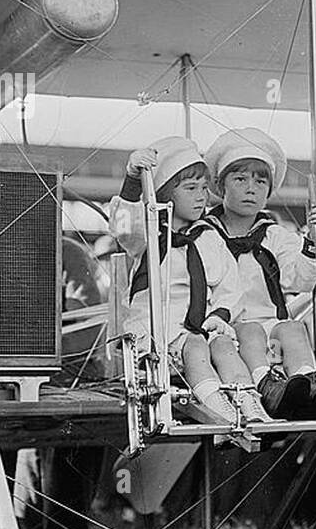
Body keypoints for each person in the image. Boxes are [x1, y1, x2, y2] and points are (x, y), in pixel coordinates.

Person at [109, 135, 270, 424]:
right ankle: (217, 408)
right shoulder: (149, 236)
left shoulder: (208, 237)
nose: (202, 197)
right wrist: (133, 181)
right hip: (158, 337)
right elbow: (124, 227)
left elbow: (229, 286)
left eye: (204, 188)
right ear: (166, 194)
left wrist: (220, 316)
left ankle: (249, 403)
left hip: (201, 331)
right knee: (195, 344)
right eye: (191, 188)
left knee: (223, 345)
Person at [201, 128, 316, 418]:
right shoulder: (205, 234)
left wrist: (313, 240)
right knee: (250, 331)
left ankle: (308, 384)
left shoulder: (274, 235)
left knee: (293, 328)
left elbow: (301, 279)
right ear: (220, 185)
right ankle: (266, 386)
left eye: (260, 181)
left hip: (269, 327)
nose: (251, 188)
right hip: (225, 328)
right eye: (240, 179)